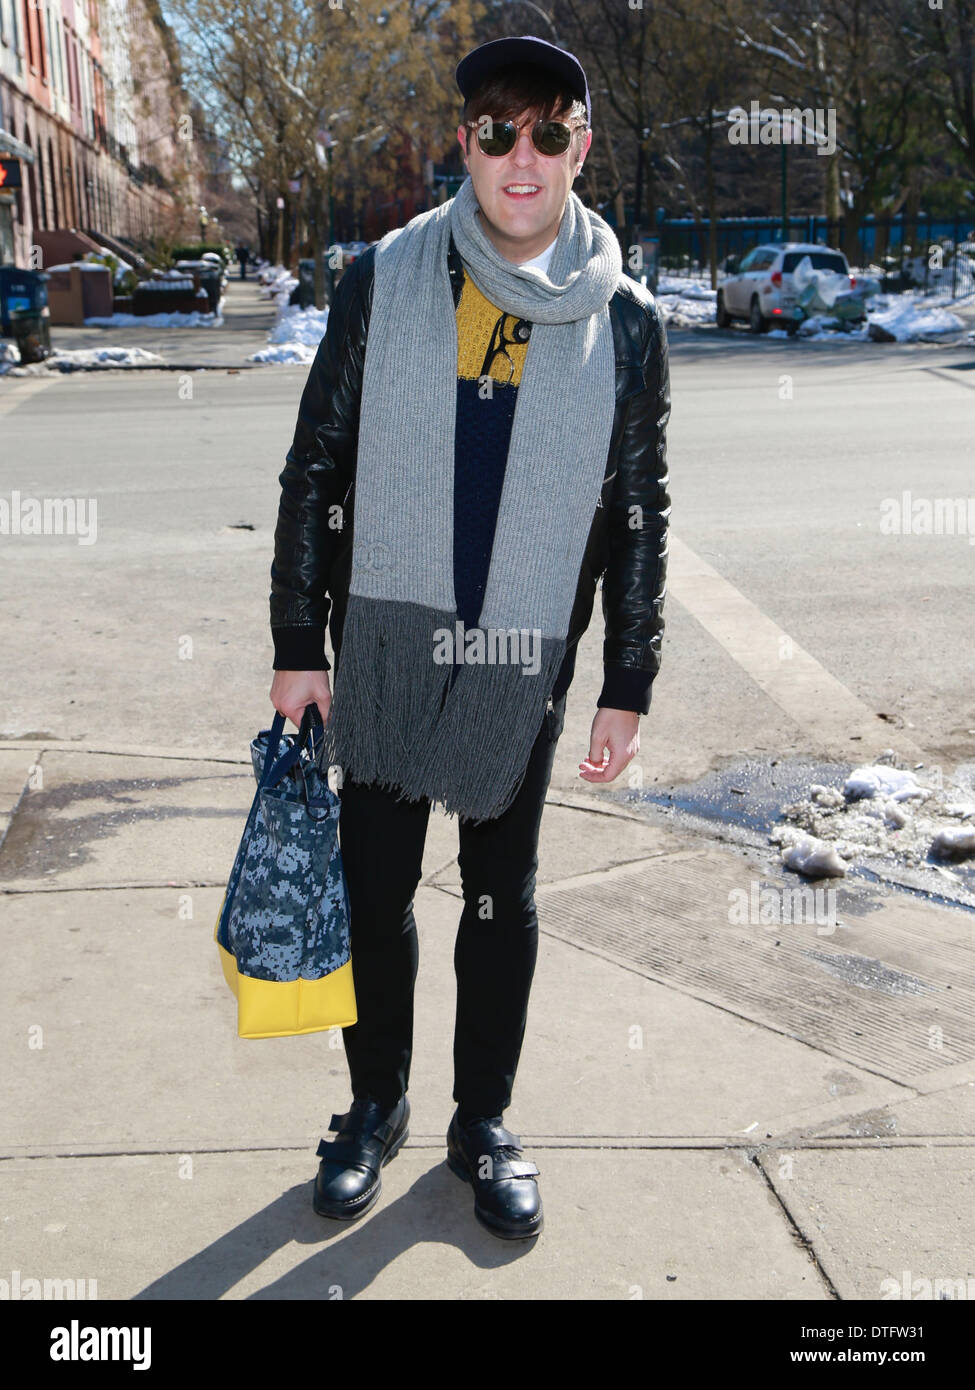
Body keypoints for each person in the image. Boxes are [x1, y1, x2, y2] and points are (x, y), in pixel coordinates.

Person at [268, 34, 671, 1241]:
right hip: (389, 644)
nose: (523, 158)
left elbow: (640, 510)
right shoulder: (387, 280)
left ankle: (480, 1121)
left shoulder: (626, 322)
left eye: (550, 132)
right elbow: (314, 469)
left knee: (501, 894)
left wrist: (628, 675)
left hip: (522, 655)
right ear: (467, 146)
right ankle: (374, 1105)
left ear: (581, 149)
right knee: (377, 887)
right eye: (499, 131)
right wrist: (299, 639)